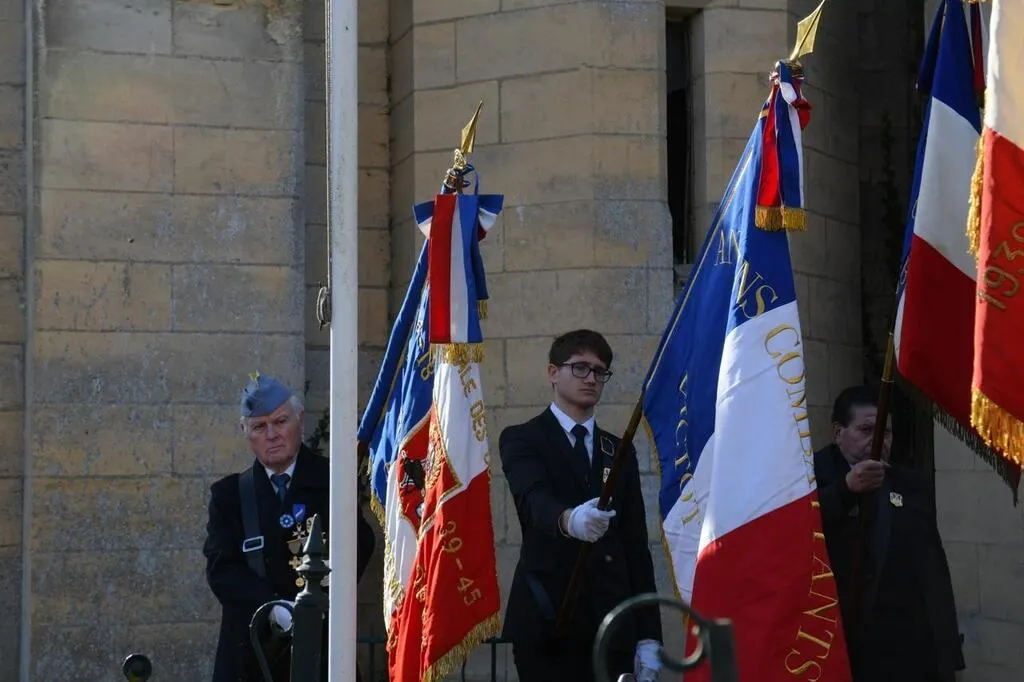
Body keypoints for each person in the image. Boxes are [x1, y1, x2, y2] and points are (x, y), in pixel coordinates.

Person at [499, 330, 663, 681]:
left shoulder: (617, 450)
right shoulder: (523, 438)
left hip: (613, 624)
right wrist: (569, 519)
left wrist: (649, 635)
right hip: (550, 623)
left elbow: (635, 545)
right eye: (580, 367)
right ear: (553, 373)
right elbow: (533, 499)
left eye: (599, 371)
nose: (591, 378)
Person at [203, 373, 376, 682]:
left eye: (280, 421)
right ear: (246, 433)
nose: (272, 435)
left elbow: (359, 545)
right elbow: (221, 569)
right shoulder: (229, 496)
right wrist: (271, 606)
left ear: (300, 421)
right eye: (259, 427)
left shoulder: (333, 480)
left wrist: (314, 601)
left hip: (321, 645)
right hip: (252, 653)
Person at [814, 385, 965, 682]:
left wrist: (947, 652)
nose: (877, 441)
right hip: (838, 643)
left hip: (905, 647)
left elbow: (933, 571)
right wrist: (845, 490)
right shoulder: (812, 475)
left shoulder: (910, 484)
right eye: (866, 430)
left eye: (885, 433)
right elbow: (797, 531)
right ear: (838, 432)